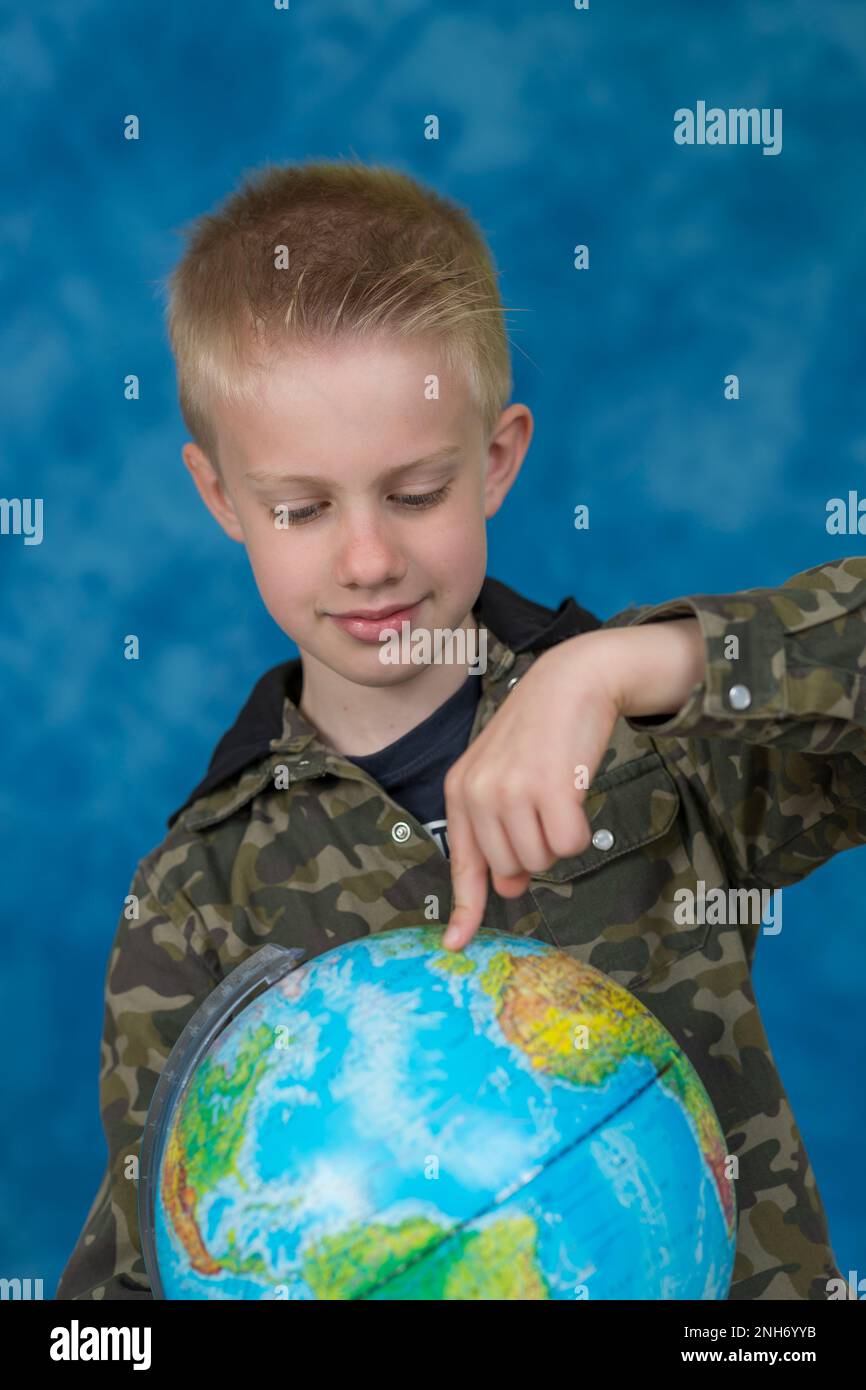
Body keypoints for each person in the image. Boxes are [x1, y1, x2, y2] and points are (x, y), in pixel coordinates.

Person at [57, 157, 864, 1301]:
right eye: (301, 507)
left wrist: (628, 664)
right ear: (222, 497)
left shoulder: (652, 738)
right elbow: (138, 1287)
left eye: (415, 493)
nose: (367, 558)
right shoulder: (196, 895)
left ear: (495, 459)